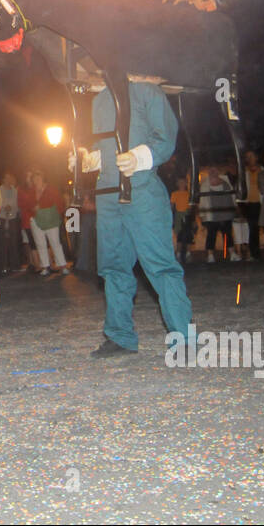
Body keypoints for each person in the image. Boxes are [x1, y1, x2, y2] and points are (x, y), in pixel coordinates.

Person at [72, 78, 194, 357]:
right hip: (107, 192)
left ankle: (184, 338)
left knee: (160, 265)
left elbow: (166, 135)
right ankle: (120, 336)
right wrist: (91, 160)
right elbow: (106, 149)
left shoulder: (146, 91)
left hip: (142, 190)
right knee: (113, 266)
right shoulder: (99, 99)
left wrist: (139, 157)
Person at [28, 170, 69, 275]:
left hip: (50, 219)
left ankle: (62, 266)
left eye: (38, 178)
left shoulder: (51, 189)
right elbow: (28, 205)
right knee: (40, 243)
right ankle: (45, 266)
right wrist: (34, 209)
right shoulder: (32, 191)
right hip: (36, 220)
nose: (36, 180)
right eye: (34, 179)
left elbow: (59, 203)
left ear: (43, 178)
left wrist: (42, 207)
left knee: (55, 242)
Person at [198, 165, 236, 263]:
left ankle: (232, 254)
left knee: (227, 235)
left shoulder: (226, 183)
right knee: (211, 235)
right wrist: (202, 216)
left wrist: (235, 209)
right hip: (212, 215)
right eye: (211, 170)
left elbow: (232, 197)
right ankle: (210, 256)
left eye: (214, 170)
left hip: (225, 213)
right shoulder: (204, 186)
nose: (213, 172)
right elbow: (202, 201)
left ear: (218, 171)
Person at [238, 150, 263, 261]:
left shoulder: (262, 170)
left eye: (251, 156)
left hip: (262, 202)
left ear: (256, 157)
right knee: (252, 228)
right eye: (247, 157)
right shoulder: (244, 171)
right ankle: (254, 252)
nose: (250, 158)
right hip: (249, 203)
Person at [170, 175, 195, 263]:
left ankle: (188, 253)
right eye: (180, 182)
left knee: (189, 235)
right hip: (178, 215)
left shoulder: (189, 194)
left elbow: (192, 206)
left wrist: (192, 217)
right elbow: (172, 206)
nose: (181, 184)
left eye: (183, 182)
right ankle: (178, 253)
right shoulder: (174, 193)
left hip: (187, 215)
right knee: (179, 235)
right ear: (177, 184)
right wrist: (172, 217)